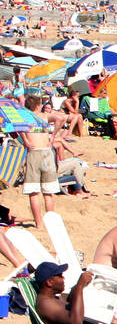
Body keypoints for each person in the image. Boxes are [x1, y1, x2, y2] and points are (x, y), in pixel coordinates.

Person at [17, 96, 57, 231]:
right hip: (46, 153)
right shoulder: (44, 116)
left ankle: (39, 225)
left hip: (34, 153)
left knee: (33, 191)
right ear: (38, 105)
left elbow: (19, 129)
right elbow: (62, 119)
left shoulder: (25, 117)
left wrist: (25, 141)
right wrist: (53, 136)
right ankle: (51, 224)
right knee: (48, 192)